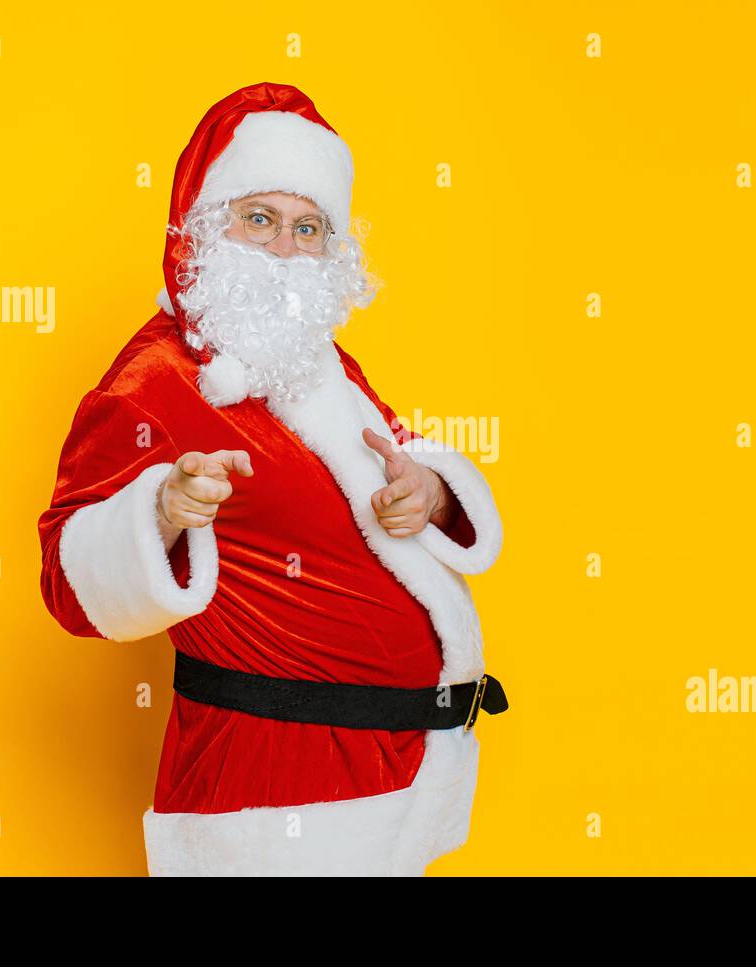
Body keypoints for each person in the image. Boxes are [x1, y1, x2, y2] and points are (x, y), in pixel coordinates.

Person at [36, 82, 505, 876]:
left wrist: (427, 489)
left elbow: (395, 454)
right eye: (260, 219)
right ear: (206, 228)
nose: (285, 249)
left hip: (391, 773)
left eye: (308, 227)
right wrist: (164, 512)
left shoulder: (315, 362)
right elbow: (67, 576)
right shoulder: (155, 379)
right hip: (271, 792)